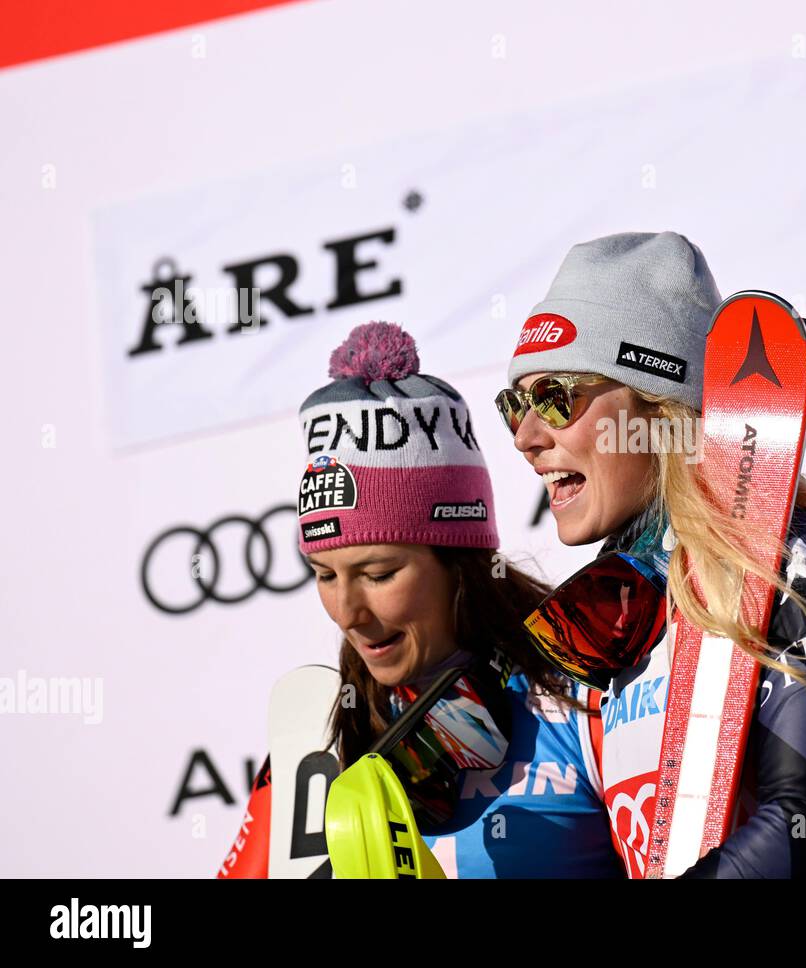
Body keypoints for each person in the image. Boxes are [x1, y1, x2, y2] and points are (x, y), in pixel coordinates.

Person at [496, 231, 806, 877]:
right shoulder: (603, 632)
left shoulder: (804, 559)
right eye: (514, 404)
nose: (525, 435)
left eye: (555, 398)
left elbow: (804, 828)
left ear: (658, 407)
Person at [219, 321, 624, 879]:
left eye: (379, 574)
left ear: (462, 568)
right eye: (324, 575)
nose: (347, 613)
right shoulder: (314, 740)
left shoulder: (582, 690)